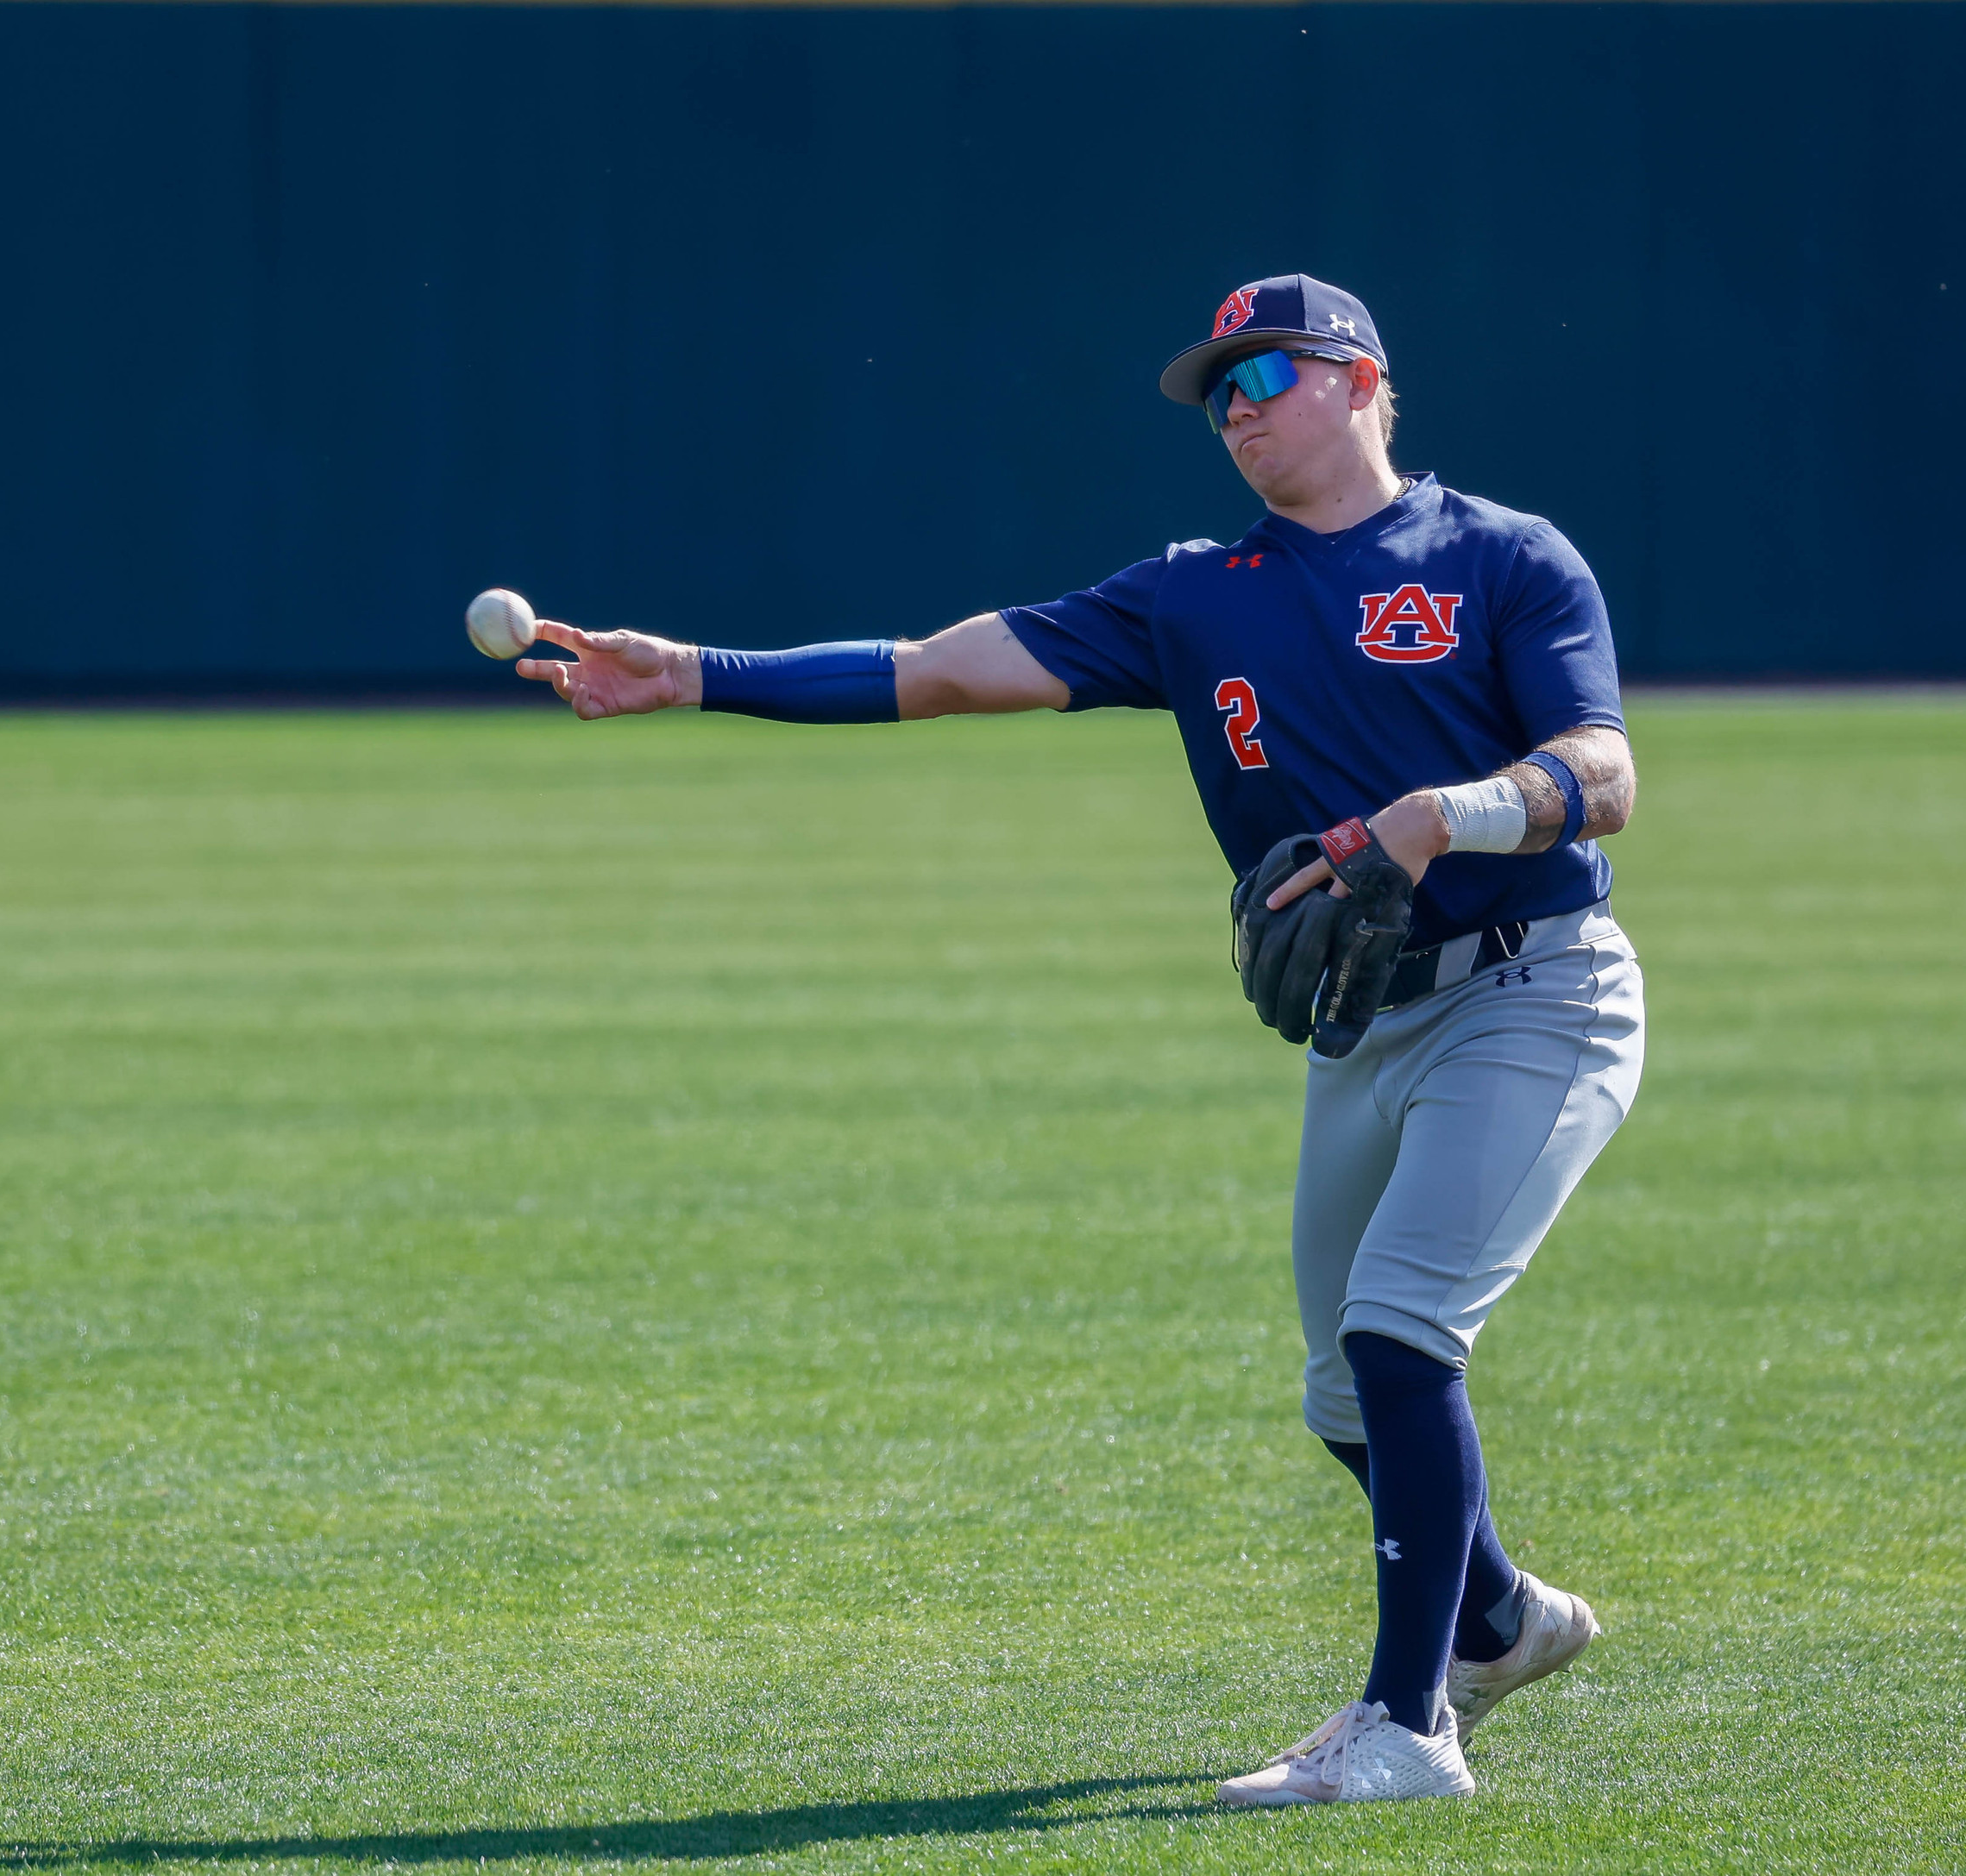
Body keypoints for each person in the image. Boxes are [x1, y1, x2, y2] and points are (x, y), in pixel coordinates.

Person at [514, 273, 1643, 1806]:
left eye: (1266, 375)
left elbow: (1601, 772)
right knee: (1341, 1390)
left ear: (1363, 380)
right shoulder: (1193, 591)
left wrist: (1445, 816)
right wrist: (702, 676)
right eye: (1218, 391)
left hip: (1537, 990)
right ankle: (1498, 1619)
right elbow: (933, 668)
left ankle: (1407, 1726)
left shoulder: (1504, 559)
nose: (1235, 409)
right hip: (1366, 1026)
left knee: (1398, 1331)